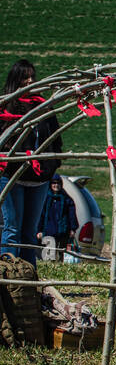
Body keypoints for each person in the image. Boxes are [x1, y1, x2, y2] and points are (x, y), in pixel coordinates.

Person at [1, 60, 61, 260]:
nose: (29, 81)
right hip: (11, 175)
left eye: (32, 77)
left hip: (39, 178)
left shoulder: (43, 106)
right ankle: (8, 276)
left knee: (30, 230)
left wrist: (52, 165)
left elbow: (55, 137)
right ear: (15, 80)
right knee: (12, 228)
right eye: (25, 77)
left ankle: (28, 279)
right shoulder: (5, 106)